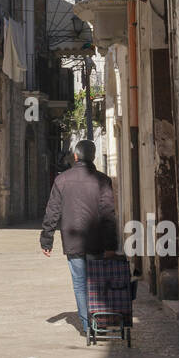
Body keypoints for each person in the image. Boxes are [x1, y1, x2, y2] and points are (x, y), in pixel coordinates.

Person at [39, 139, 118, 336]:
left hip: (72, 241)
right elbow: (109, 213)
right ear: (93, 156)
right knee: (96, 282)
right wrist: (111, 244)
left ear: (75, 156)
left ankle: (87, 326)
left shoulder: (62, 180)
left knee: (80, 284)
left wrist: (46, 239)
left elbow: (52, 212)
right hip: (97, 240)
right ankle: (98, 322)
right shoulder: (103, 180)